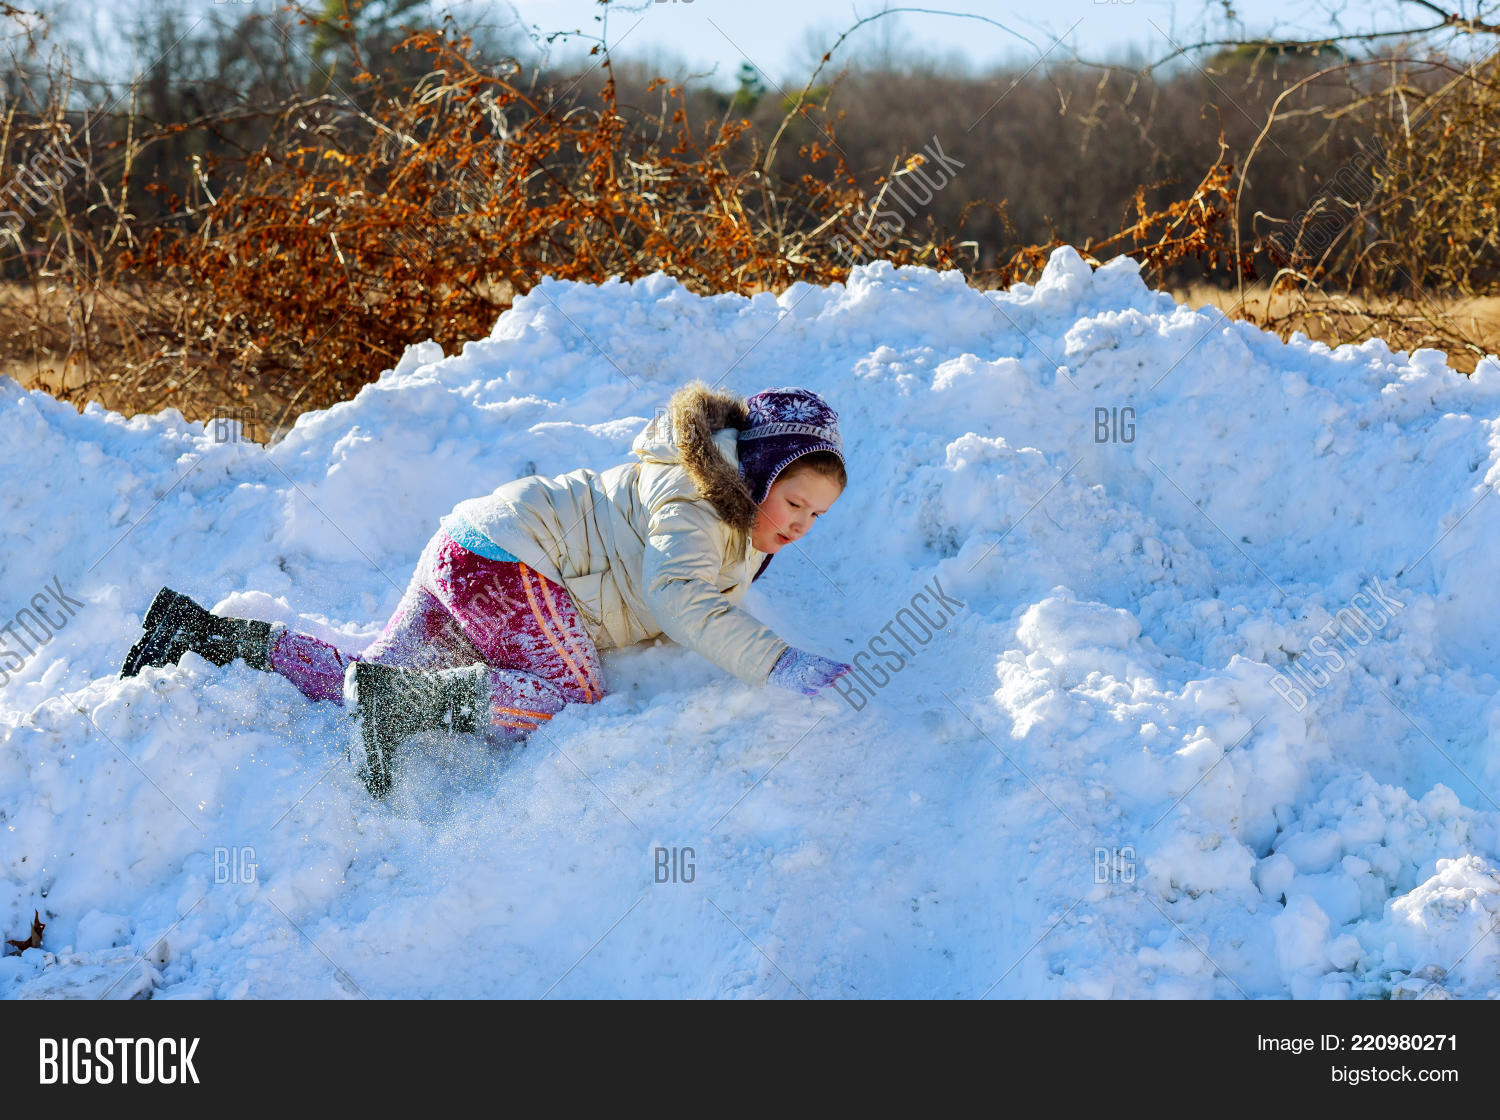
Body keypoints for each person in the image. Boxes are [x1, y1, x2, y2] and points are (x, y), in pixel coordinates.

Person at [119, 380, 854, 796]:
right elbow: (676, 595)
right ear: (755, 471)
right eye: (794, 504)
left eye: (819, 517)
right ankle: (404, 705)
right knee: (568, 705)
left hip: (469, 545)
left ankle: (201, 634)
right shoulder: (696, 503)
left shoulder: (728, 520)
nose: (802, 526)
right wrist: (781, 664)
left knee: (365, 672)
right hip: (512, 562)